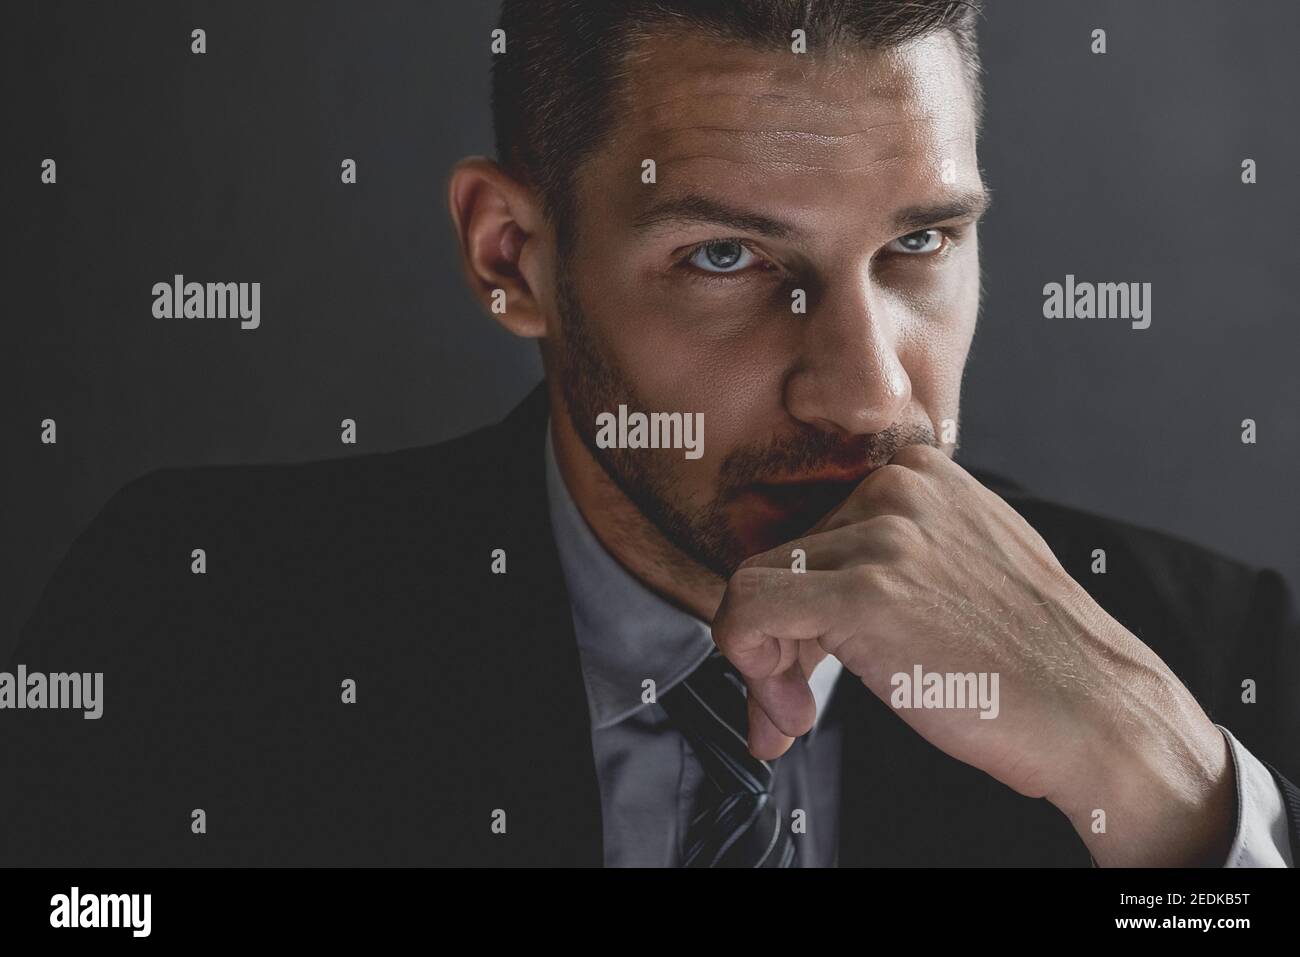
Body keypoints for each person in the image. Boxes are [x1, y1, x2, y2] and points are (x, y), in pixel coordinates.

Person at [4, 0, 1296, 867]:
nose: (861, 394)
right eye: (726, 255)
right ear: (512, 256)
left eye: (918, 243)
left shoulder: (1207, 657)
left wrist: (1170, 793)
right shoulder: (200, 620)